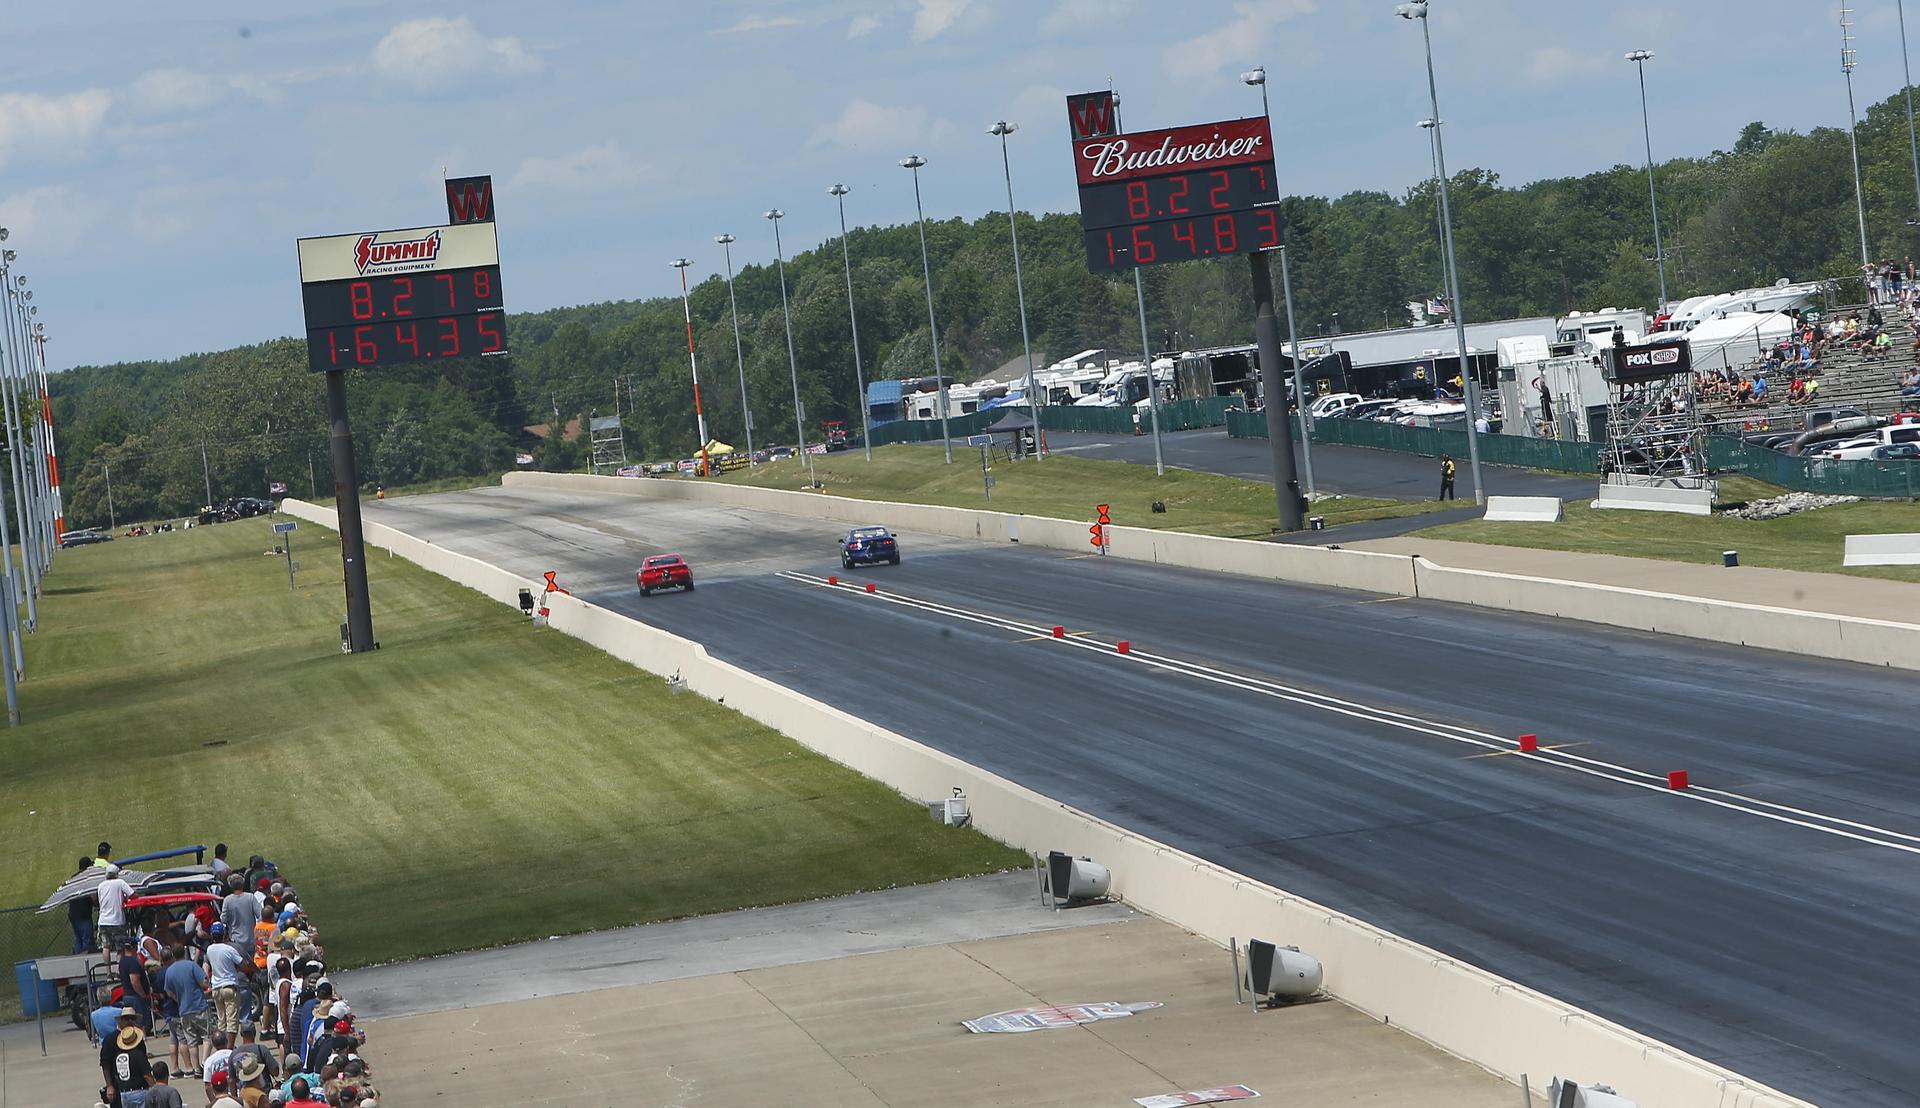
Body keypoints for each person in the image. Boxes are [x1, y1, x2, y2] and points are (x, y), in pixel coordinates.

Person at [162, 944, 211, 1072]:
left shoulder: (170, 971)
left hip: (183, 1010)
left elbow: (168, 991)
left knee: (191, 1041)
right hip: (199, 1005)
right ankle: (205, 1061)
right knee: (207, 1036)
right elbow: (204, 982)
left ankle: (196, 1068)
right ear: (184, 952)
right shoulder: (191, 965)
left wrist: (178, 999)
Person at [101, 1009, 151, 1108]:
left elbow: (143, 1061)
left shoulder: (138, 1038)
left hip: (139, 1087)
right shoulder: (110, 1040)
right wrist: (109, 1086)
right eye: (126, 1018)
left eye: (133, 1019)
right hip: (118, 1087)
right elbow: (105, 1064)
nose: (130, 1021)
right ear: (120, 1021)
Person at [205, 926, 246, 1038]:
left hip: (216, 989)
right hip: (229, 987)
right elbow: (242, 963)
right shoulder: (229, 949)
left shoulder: (209, 949)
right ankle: (229, 1048)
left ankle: (221, 1046)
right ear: (224, 934)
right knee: (232, 1022)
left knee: (221, 1021)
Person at [118, 937, 155, 1029]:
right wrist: (143, 995)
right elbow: (135, 982)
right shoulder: (132, 962)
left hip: (127, 995)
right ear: (134, 947)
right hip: (136, 997)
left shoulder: (122, 961)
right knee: (141, 1024)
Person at [98, 865, 135, 954]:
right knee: (120, 947)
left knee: (106, 947)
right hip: (117, 920)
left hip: (103, 920)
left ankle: (107, 967)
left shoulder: (101, 885)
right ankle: (119, 967)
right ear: (116, 874)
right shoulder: (120, 882)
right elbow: (132, 894)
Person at [71, 856, 98, 954]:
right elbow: (93, 897)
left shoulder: (73, 878)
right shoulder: (87, 878)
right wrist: (98, 904)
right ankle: (86, 961)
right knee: (87, 940)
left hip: (73, 913)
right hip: (84, 914)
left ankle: (77, 958)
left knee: (78, 939)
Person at [202, 1031, 234, 1102]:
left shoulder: (209, 1061)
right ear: (226, 1041)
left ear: (213, 1044)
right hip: (237, 1096)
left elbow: (207, 1086)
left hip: (220, 1098)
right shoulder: (234, 1054)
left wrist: (214, 1103)